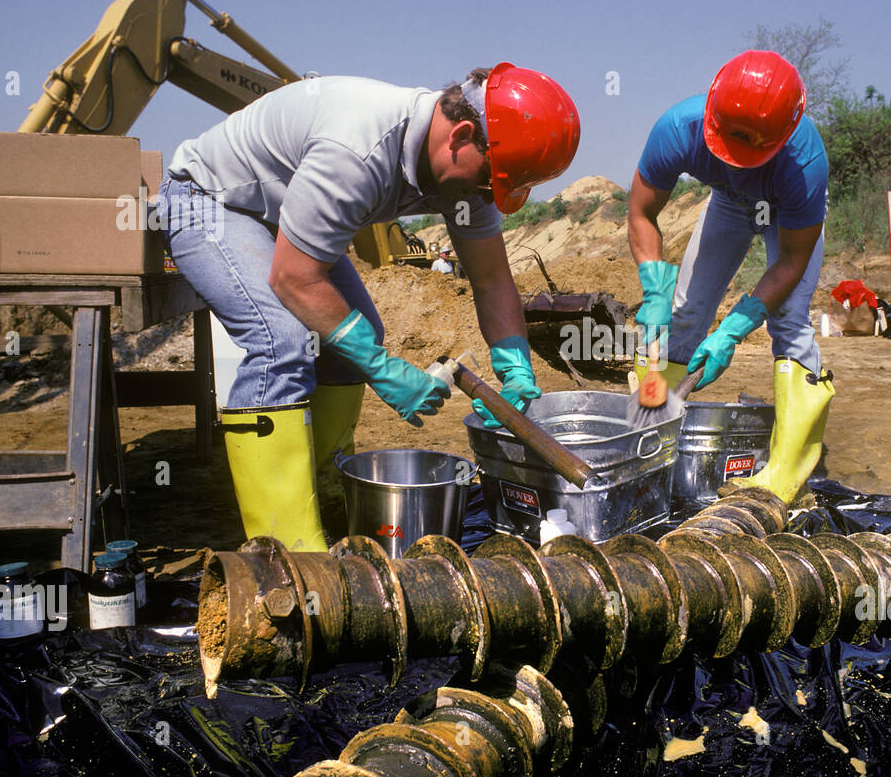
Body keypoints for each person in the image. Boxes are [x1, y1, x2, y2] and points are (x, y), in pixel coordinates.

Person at [161, 64, 580, 550]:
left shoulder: (476, 169)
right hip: (210, 200)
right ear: (462, 135)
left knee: (354, 337)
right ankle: (286, 550)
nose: (487, 195)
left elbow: (491, 280)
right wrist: (382, 369)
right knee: (283, 341)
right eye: (490, 182)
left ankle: (326, 495)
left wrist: (516, 369)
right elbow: (293, 277)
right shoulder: (359, 149)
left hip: (283, 214)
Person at [628, 50, 834, 504]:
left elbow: (789, 264)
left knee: (790, 324)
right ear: (713, 114)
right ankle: (652, 436)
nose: (741, 159)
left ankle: (786, 474)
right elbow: (642, 213)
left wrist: (734, 329)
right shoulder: (678, 128)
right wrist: (654, 292)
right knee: (683, 313)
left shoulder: (805, 165)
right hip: (728, 204)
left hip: (787, 212)